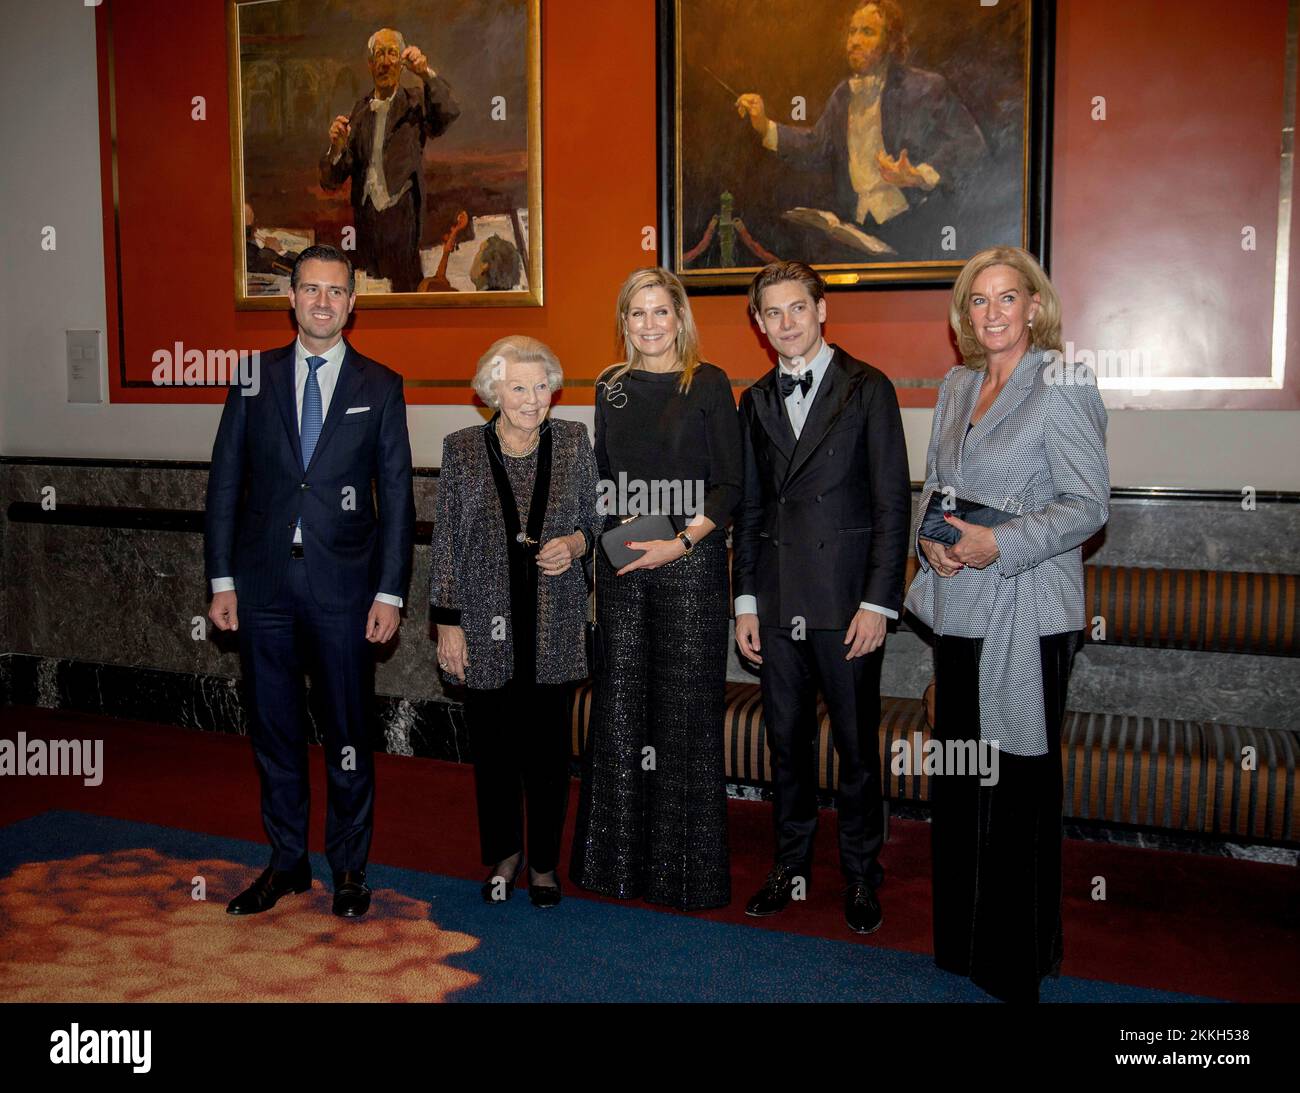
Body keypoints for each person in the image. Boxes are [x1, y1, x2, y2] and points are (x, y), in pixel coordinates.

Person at [904, 245, 1110, 1002]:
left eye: (1006, 297)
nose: (992, 312)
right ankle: (962, 944)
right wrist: (929, 540)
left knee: (1016, 780)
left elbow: (1088, 504)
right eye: (978, 300)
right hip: (959, 602)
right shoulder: (958, 384)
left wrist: (1003, 543)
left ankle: (1014, 958)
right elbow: (938, 488)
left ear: (1034, 306)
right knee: (962, 774)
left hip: (1028, 606)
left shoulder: (1063, 381)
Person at [205, 244, 415, 919]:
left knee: (348, 732)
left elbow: (397, 499)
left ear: (352, 303)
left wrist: (390, 591)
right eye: (311, 289)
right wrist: (222, 580)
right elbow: (225, 484)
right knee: (274, 730)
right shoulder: (252, 378)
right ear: (291, 297)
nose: (323, 301)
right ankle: (287, 862)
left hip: (346, 594)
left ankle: (349, 868)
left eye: (336, 291)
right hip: (263, 588)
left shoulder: (380, 385)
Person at [733, 260, 911, 935]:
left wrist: (878, 603)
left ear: (822, 310)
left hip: (846, 607)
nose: (786, 323)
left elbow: (893, 504)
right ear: (759, 323)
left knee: (857, 748)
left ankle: (862, 872)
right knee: (787, 744)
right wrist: (745, 605)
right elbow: (750, 511)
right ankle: (790, 864)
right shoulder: (754, 400)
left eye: (797, 308)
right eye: (772, 313)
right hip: (778, 605)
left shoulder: (868, 387)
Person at [570, 267, 744, 911]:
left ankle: (685, 875)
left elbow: (729, 485)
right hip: (624, 566)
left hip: (691, 565)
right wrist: (609, 531)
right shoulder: (610, 387)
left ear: (679, 318)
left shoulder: (709, 382)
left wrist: (682, 542)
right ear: (624, 321)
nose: (649, 324)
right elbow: (605, 475)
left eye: (660, 311)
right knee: (619, 708)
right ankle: (614, 866)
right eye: (637, 313)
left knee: (684, 713)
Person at [429, 337, 600, 908]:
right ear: (493, 393)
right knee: (495, 751)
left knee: (549, 753)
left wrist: (574, 544)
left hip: (553, 623)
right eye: (518, 388)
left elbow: (595, 521)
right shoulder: (461, 449)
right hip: (483, 626)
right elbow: (446, 541)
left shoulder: (573, 442)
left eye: (541, 387)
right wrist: (447, 624)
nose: (532, 399)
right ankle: (505, 854)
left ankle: (544, 863)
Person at [735, 0, 988, 259]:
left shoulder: (926, 87)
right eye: (852, 32)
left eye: (867, 32)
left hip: (915, 229)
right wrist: (765, 125)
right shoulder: (842, 95)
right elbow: (816, 145)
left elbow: (970, 143)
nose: (855, 41)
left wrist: (919, 175)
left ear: (891, 42)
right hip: (857, 233)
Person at [320, 27, 460, 292]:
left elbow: (449, 113)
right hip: (366, 221)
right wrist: (336, 149)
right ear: (370, 64)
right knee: (370, 292)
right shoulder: (359, 112)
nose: (385, 62)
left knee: (405, 292)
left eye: (392, 54)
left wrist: (425, 73)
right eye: (379, 55)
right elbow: (331, 180)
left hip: (403, 218)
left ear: (402, 63)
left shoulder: (415, 102)